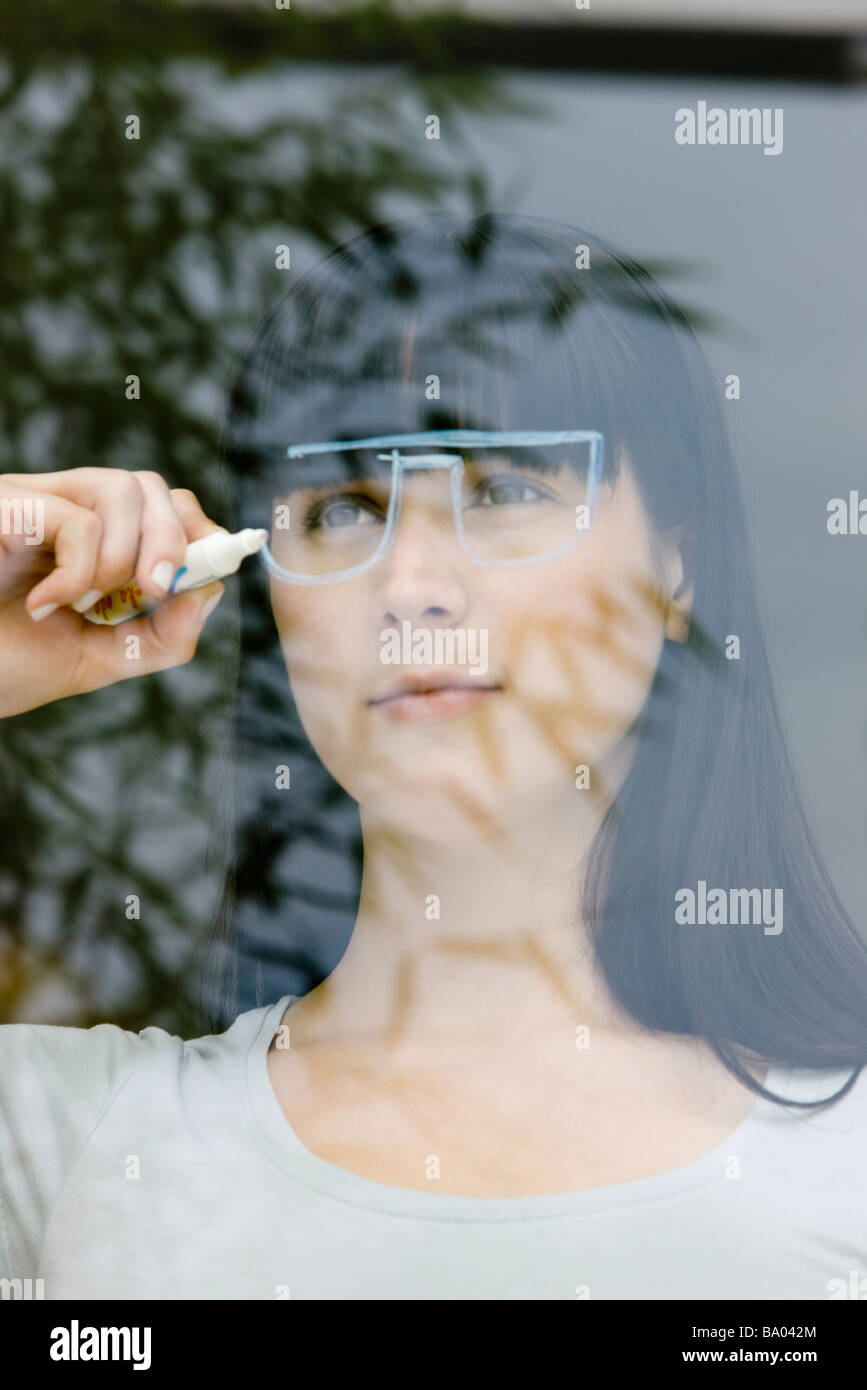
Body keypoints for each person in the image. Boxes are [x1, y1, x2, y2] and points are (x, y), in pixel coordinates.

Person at [1, 212, 865, 1301]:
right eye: (346, 506)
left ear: (676, 569)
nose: (412, 584)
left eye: (504, 488)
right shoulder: (64, 1151)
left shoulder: (848, 1169)